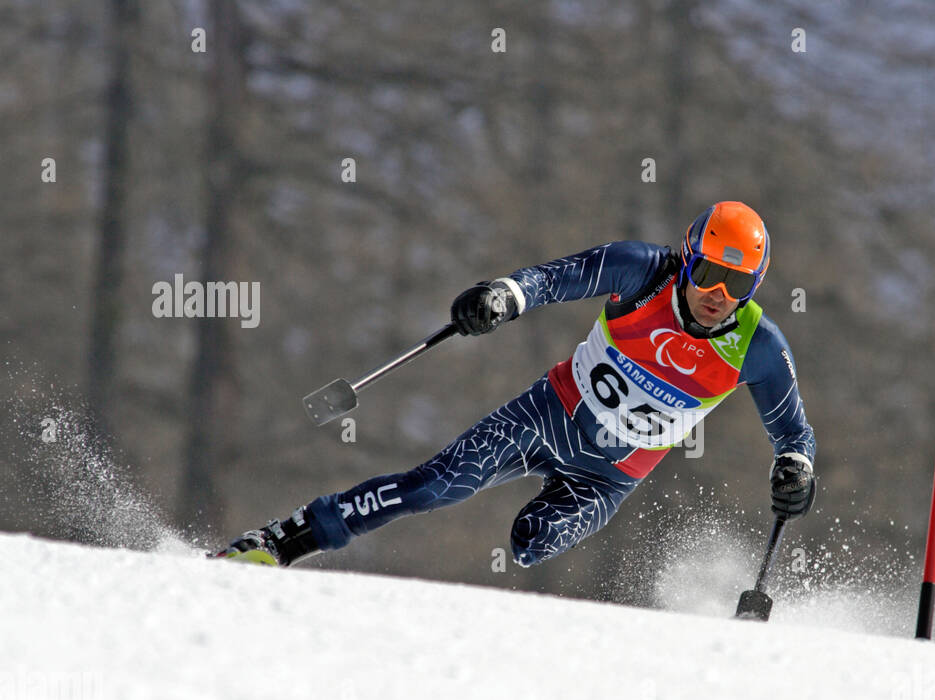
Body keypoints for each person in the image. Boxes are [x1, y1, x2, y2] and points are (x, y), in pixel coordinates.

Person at [212, 201, 816, 568]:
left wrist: (796, 469)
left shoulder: (759, 348)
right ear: (689, 259)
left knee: (531, 543)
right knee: (435, 487)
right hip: (548, 415)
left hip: (607, 480)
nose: (718, 295)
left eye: (737, 285)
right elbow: (554, 279)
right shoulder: (642, 270)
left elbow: (794, 433)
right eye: (710, 274)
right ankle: (283, 540)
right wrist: (502, 296)